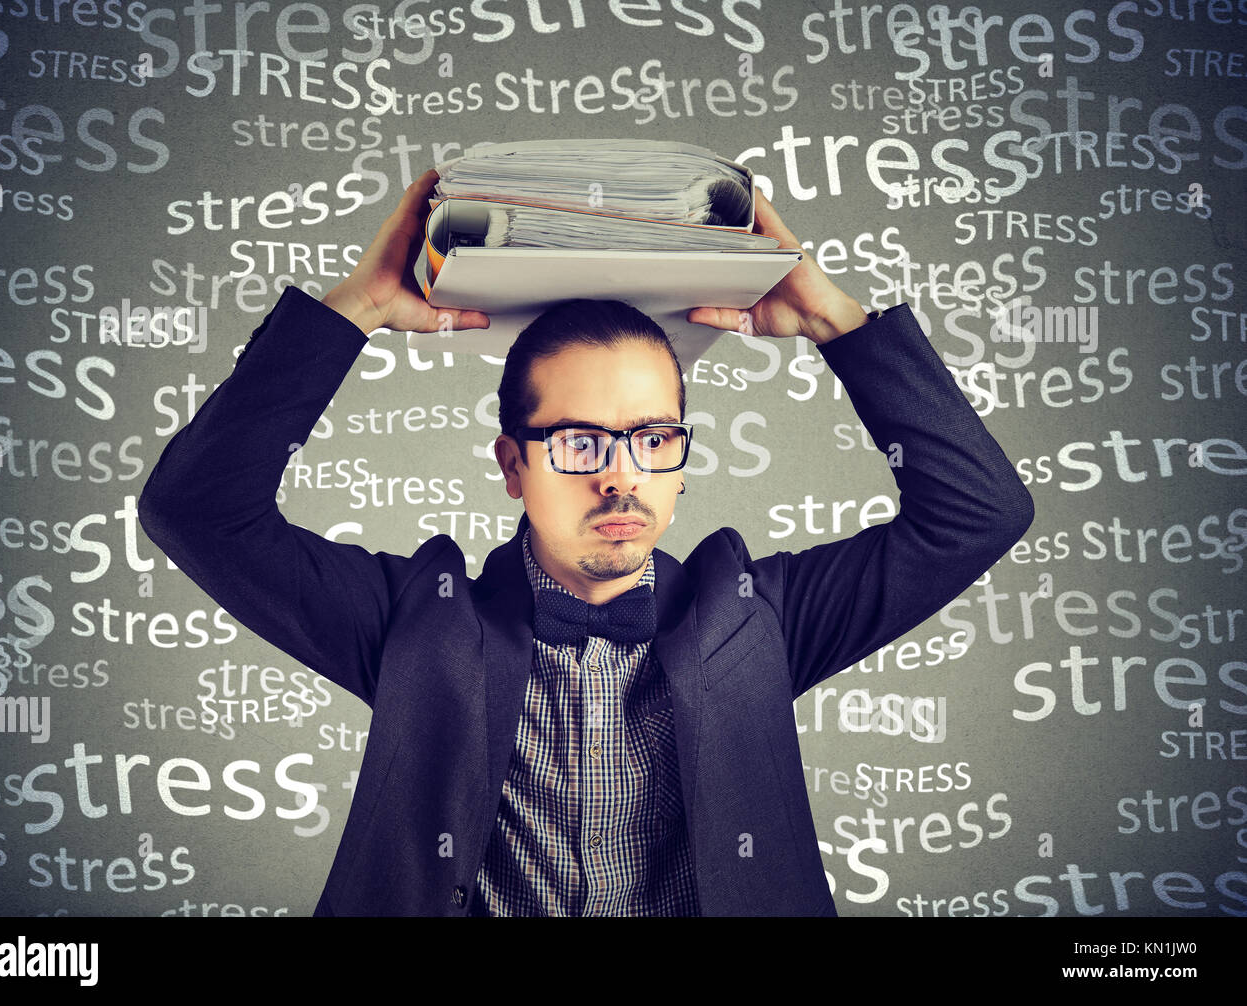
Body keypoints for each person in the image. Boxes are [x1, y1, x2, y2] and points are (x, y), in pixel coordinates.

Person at [137, 168, 1034, 916]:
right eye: (578, 442)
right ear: (511, 464)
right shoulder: (416, 623)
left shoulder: (758, 620)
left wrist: (842, 326)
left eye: (652, 439)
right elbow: (198, 509)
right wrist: (357, 306)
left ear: (680, 463)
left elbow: (978, 513)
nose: (620, 476)